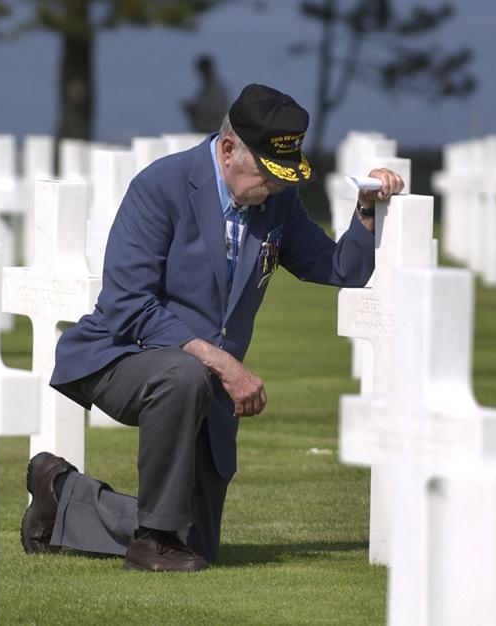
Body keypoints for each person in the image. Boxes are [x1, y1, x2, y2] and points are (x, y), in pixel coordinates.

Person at [20, 83, 404, 572]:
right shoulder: (161, 186)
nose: (277, 186)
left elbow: (337, 268)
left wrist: (367, 211)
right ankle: (152, 542)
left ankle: (62, 494)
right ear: (228, 149)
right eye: (267, 173)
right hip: (122, 356)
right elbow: (127, 304)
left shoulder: (276, 203)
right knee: (183, 376)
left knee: (198, 543)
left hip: (205, 383)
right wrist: (222, 362)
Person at [182, 54, 229, 134]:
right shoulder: (207, 88)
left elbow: (215, 109)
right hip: (205, 131)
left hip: (213, 131)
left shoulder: (216, 88)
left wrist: (196, 110)